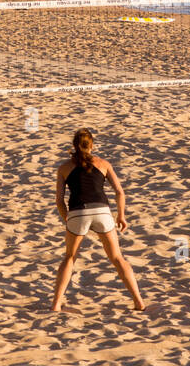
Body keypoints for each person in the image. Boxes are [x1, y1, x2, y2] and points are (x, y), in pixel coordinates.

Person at [51, 129, 145, 313]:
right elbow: (120, 192)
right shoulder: (104, 164)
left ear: (74, 145)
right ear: (92, 145)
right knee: (117, 257)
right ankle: (139, 301)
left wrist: (67, 219)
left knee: (70, 257)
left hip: (78, 212)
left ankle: (55, 304)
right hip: (102, 211)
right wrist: (121, 216)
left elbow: (59, 200)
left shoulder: (63, 167)